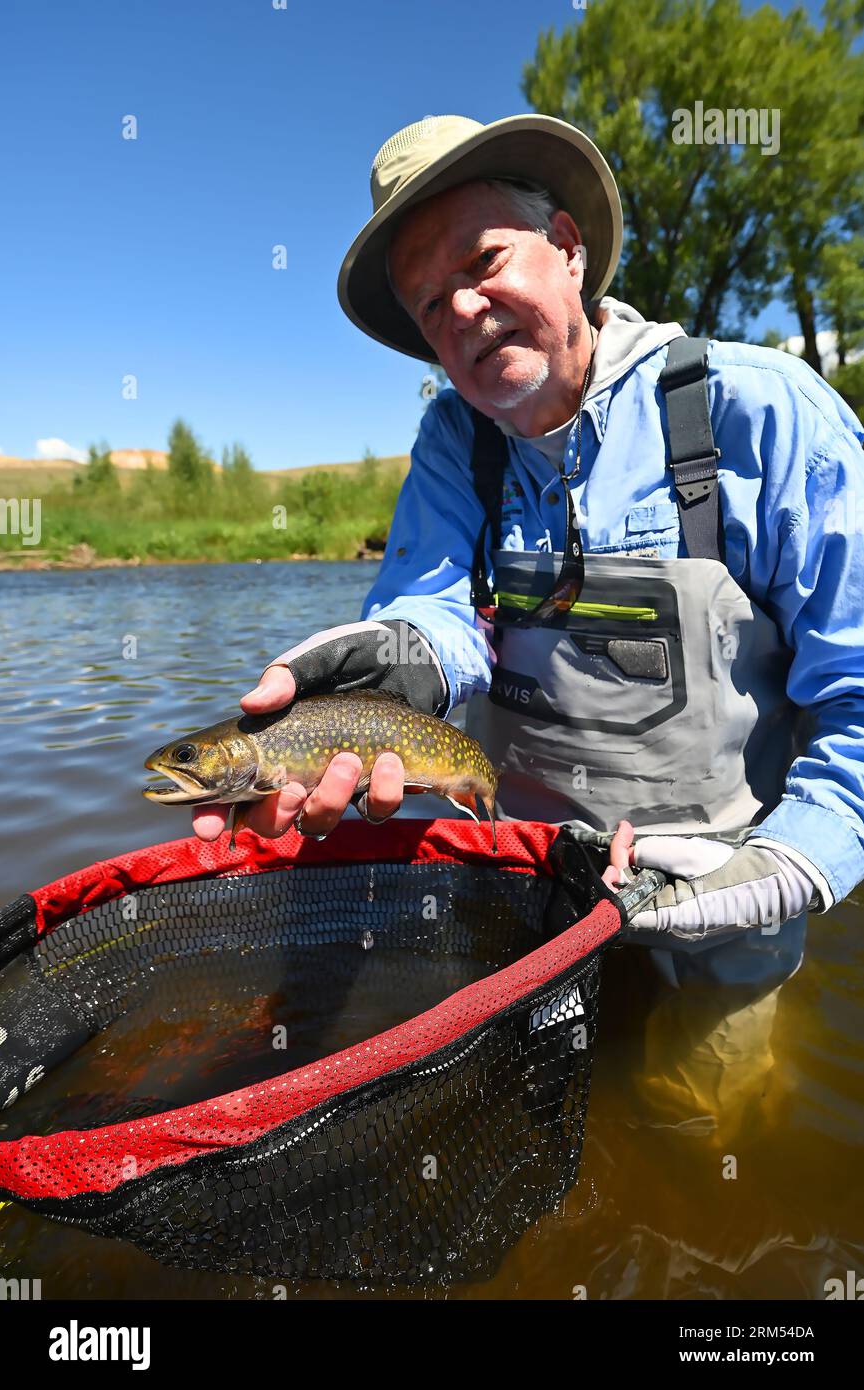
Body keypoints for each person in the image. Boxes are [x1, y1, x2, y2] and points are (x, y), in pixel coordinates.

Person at [192, 114, 864, 1136]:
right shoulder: (454, 443)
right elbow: (435, 613)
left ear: (567, 245)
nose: (460, 308)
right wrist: (396, 663)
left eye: (482, 259)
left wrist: (778, 870)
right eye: (428, 303)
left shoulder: (757, 413)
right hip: (520, 889)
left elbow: (855, 700)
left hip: (718, 900)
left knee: (696, 1137)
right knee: (512, 1116)